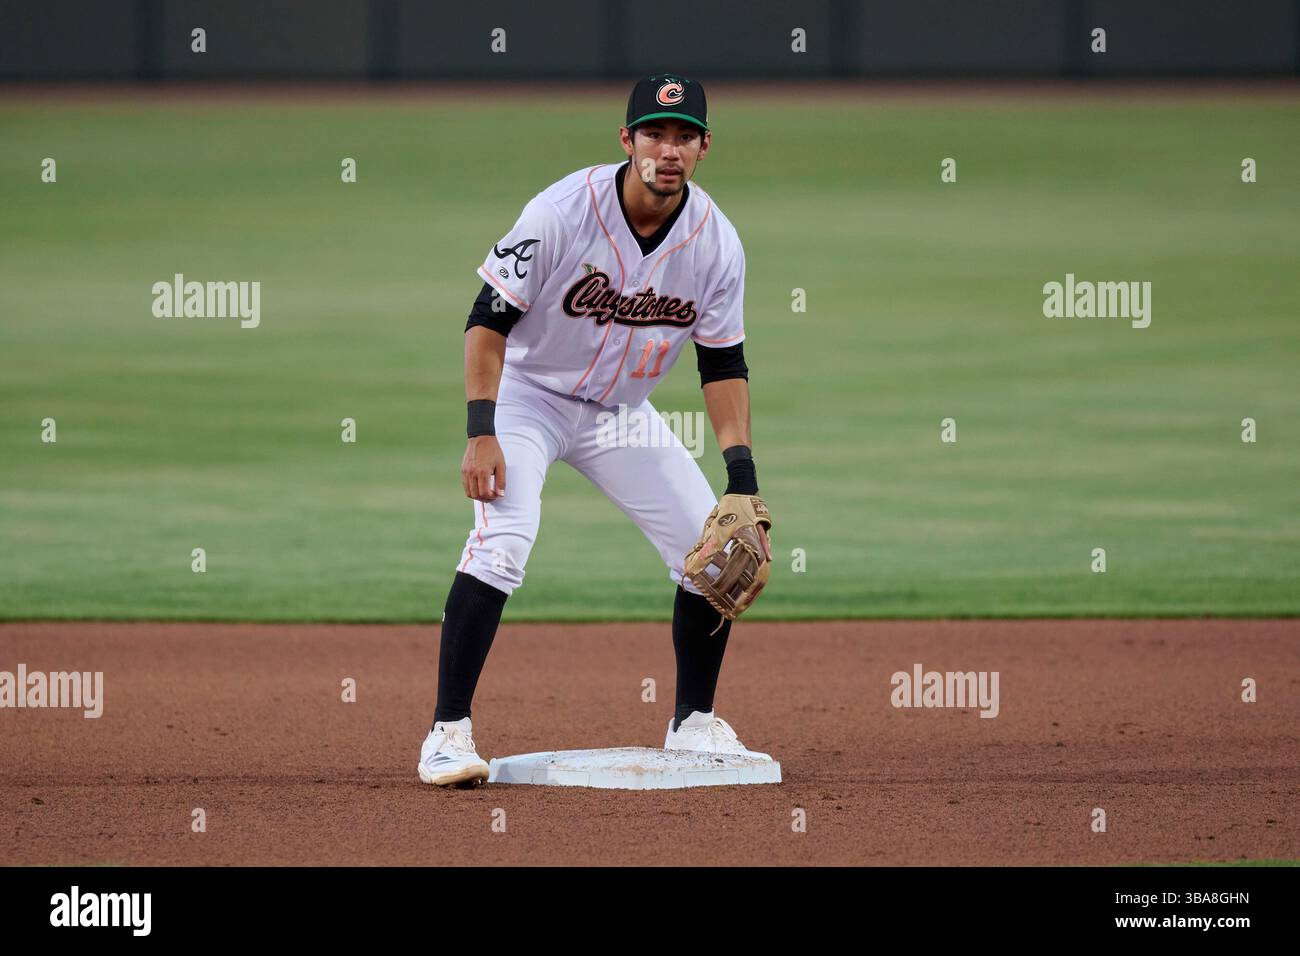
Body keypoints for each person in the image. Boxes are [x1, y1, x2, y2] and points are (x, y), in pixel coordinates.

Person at [418, 74, 772, 787]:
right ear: (627, 140)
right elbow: (487, 320)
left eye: (682, 136)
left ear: (704, 147)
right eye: (653, 134)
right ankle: (447, 734)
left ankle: (692, 723)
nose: (666, 150)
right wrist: (481, 429)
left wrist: (742, 477)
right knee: (504, 541)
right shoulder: (561, 211)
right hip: (528, 398)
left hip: (620, 415)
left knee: (714, 553)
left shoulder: (716, 243)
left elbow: (723, 362)